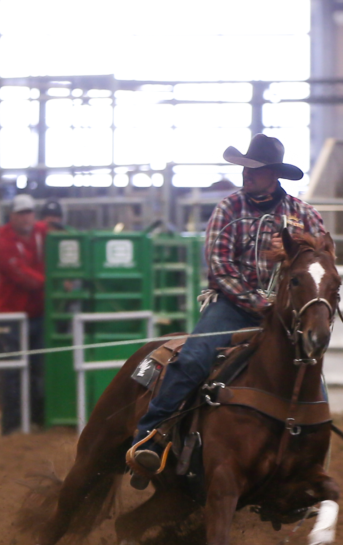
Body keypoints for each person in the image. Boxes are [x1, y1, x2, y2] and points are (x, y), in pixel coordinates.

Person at [128, 134, 329, 482]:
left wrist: (295, 305)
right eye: (246, 169)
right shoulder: (228, 209)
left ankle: (310, 460)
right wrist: (259, 303)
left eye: (255, 170)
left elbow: (322, 261)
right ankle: (151, 436)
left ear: (273, 174)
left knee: (311, 375)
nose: (247, 176)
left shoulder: (304, 215)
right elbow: (220, 266)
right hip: (233, 306)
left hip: (285, 315)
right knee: (193, 357)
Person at [0, 193, 46, 435]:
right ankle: (12, 423)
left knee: (38, 368)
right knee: (13, 371)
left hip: (36, 312)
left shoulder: (41, 233)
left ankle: (36, 419)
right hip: (12, 315)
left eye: (29, 213)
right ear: (12, 216)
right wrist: (54, 283)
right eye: (21, 213)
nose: (26, 217)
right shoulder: (4, 239)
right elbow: (21, 275)